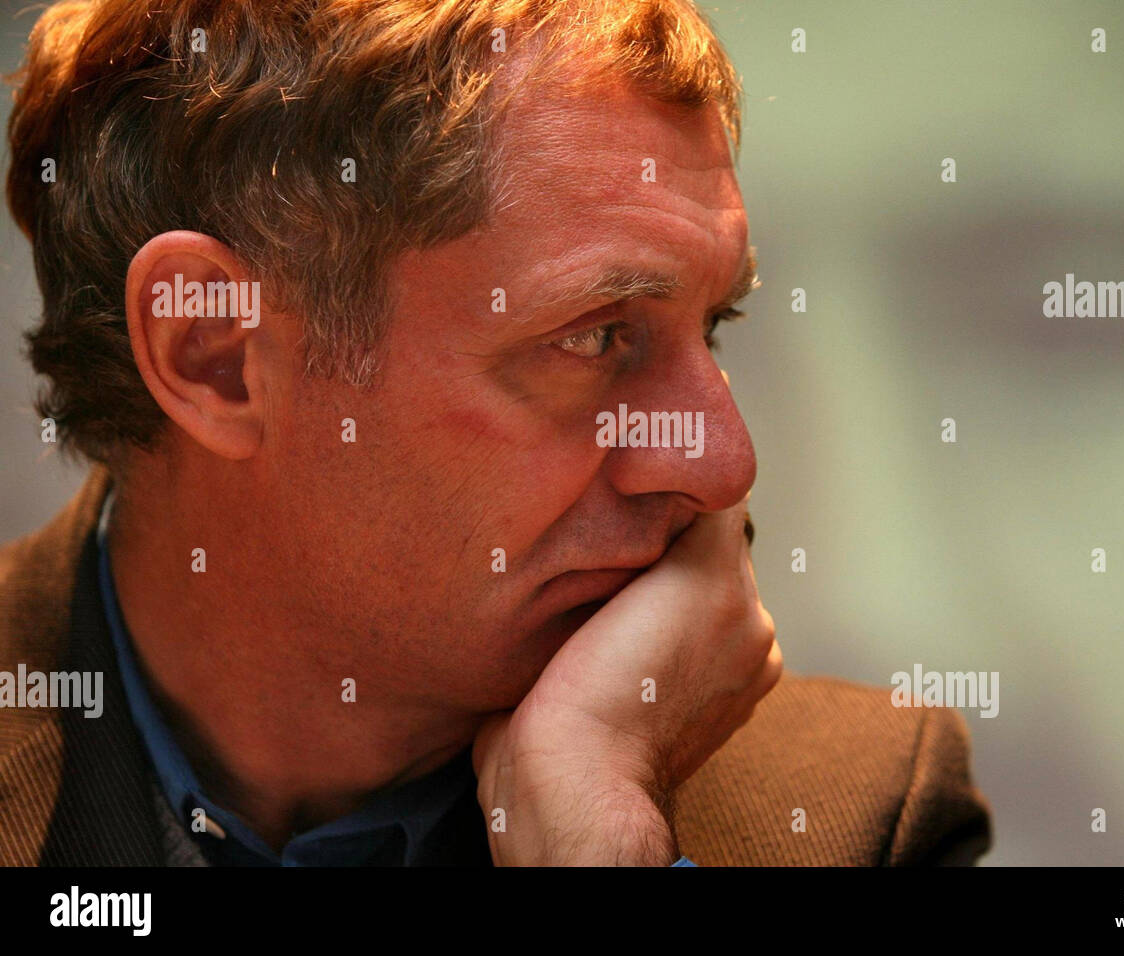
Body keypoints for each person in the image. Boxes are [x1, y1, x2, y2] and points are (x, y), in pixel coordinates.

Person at [0, 0, 991, 866]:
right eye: (599, 337)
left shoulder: (857, 812)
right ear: (215, 354)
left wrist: (593, 835)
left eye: (713, 324)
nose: (725, 463)